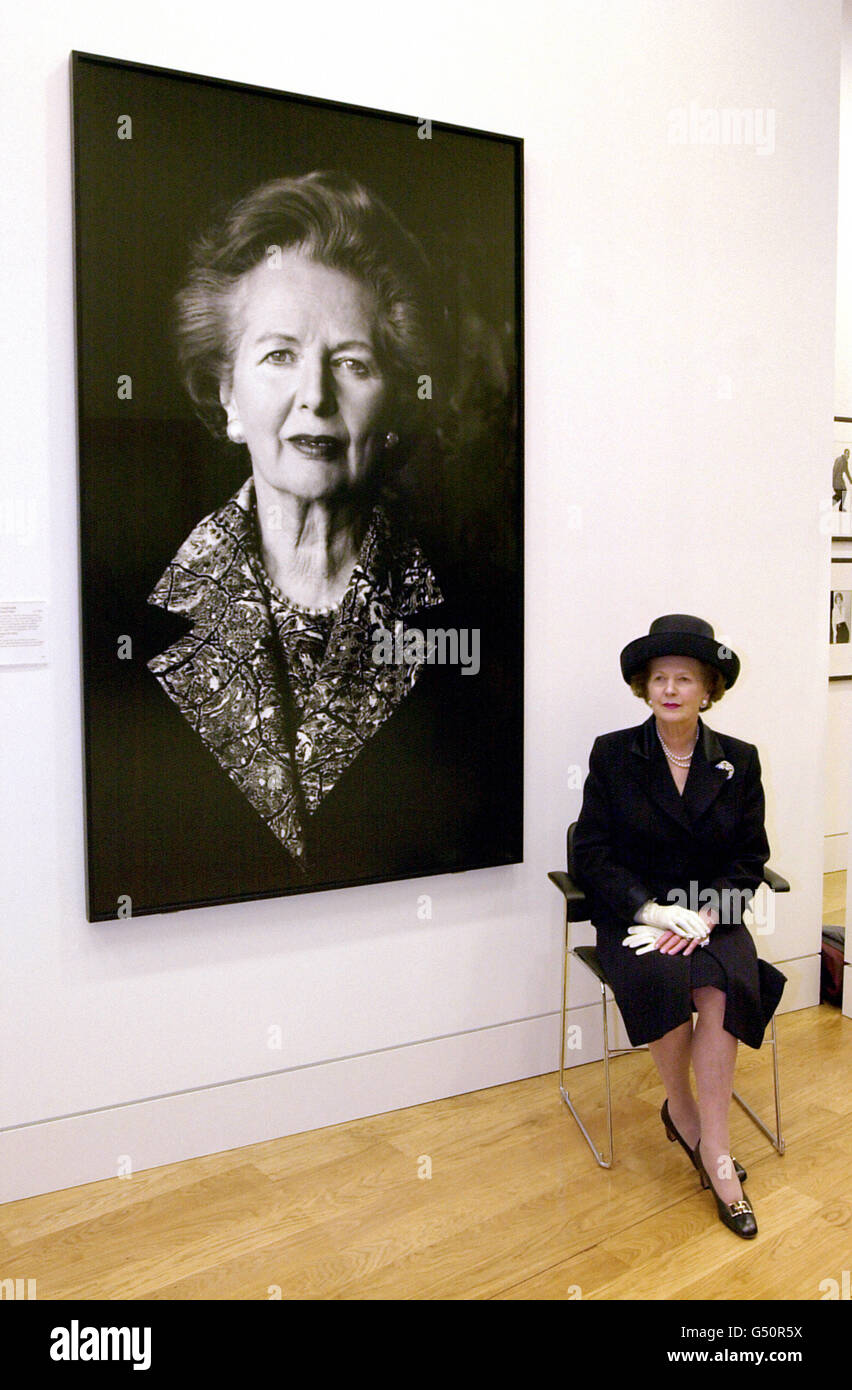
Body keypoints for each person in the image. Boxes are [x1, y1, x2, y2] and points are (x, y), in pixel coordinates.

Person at [133, 170, 520, 907]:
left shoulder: (479, 616)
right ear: (227, 393)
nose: (315, 395)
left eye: (351, 362)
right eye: (279, 355)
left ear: (394, 401)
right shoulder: (129, 614)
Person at [571, 615, 786, 1239]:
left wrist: (707, 913)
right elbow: (592, 853)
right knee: (663, 974)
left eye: (685, 679)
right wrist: (653, 911)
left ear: (708, 689)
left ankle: (715, 1146)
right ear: (644, 686)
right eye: (659, 678)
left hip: (711, 914)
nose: (670, 689)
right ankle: (684, 1113)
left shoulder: (739, 760)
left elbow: (749, 858)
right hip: (639, 916)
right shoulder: (613, 754)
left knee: (721, 983)